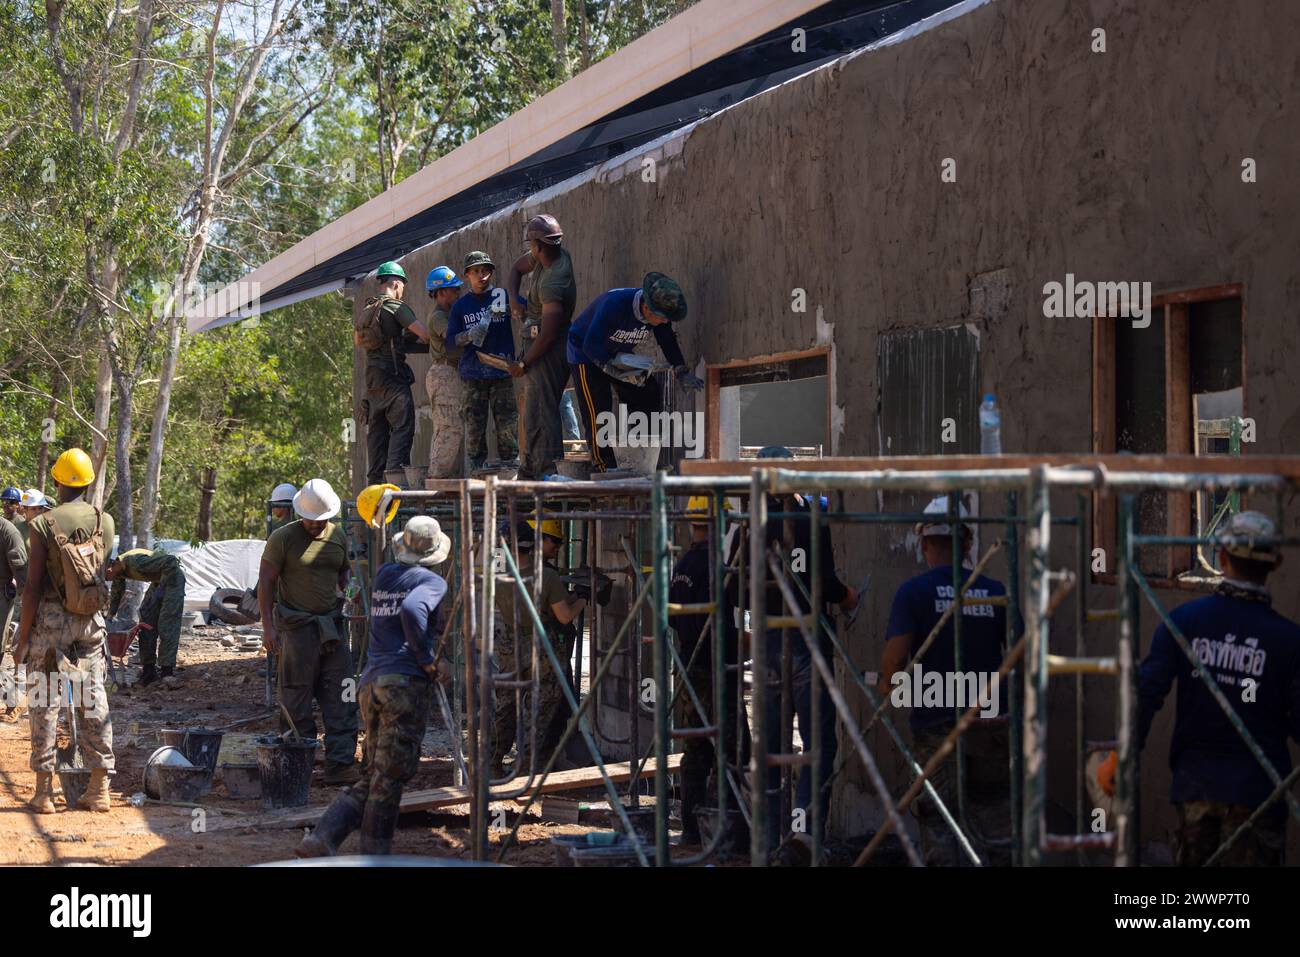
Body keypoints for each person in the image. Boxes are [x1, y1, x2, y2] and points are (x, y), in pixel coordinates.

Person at [1130, 511, 1300, 866]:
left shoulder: (1183, 622)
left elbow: (1145, 695)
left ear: (1221, 556)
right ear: (1277, 563)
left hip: (1196, 788)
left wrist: (1124, 759)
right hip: (1261, 794)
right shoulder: (1291, 641)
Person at [295, 515, 452, 857]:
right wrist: (428, 659)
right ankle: (374, 855)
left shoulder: (385, 574)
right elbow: (412, 610)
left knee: (378, 771)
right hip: (403, 683)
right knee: (392, 774)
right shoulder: (432, 582)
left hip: (372, 682)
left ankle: (324, 837)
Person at [877, 495, 1013, 866]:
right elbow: (1020, 655)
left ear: (924, 544)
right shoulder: (997, 591)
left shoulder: (913, 593)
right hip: (988, 721)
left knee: (939, 819)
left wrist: (889, 691)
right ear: (967, 543)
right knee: (994, 814)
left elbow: (894, 659)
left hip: (935, 722)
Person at [749, 445, 857, 851]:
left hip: (769, 644)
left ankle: (773, 838)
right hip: (808, 641)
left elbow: (741, 590)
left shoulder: (751, 524)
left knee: (773, 748)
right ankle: (805, 833)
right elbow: (824, 584)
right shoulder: (812, 518)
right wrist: (848, 598)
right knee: (817, 746)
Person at [14, 448, 115, 813]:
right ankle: (99, 787)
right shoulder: (105, 520)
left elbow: (32, 586)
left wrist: (23, 639)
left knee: (44, 698)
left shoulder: (42, 524)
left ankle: (44, 793)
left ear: (57, 481)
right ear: (87, 481)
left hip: (51, 625)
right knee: (92, 696)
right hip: (89, 621)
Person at [258, 478, 361, 785]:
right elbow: (266, 582)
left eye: (322, 521)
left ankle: (340, 765)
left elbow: (345, 571)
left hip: (332, 628)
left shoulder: (338, 535)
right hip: (297, 630)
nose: (317, 525)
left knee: (343, 694)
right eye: (311, 520)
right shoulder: (283, 538)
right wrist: (267, 627)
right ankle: (296, 764)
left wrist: (351, 588)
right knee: (295, 698)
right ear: (299, 512)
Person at [671, 495, 751, 845]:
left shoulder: (683, 563)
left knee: (696, 748)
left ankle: (691, 829)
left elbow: (674, 616)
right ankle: (727, 829)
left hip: (688, 666)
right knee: (734, 749)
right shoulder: (718, 566)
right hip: (715, 667)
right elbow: (732, 609)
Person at [567, 272, 703, 472]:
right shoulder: (614, 305)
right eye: (662, 318)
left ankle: (643, 456)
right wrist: (609, 369)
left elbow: (667, 340)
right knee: (598, 410)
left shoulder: (658, 318)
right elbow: (590, 344)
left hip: (617, 353)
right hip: (585, 353)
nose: (665, 322)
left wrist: (680, 370)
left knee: (647, 391)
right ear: (647, 307)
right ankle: (604, 465)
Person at [491, 519, 592, 776]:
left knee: (506, 707)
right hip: (542, 647)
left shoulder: (498, 572)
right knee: (539, 709)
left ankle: (492, 762)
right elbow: (564, 616)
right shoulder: (546, 576)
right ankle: (525, 766)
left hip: (510, 645)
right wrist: (581, 597)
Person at [506, 214, 577, 480]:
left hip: (549, 348)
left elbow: (548, 334)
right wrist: (514, 299)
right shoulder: (545, 256)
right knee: (534, 411)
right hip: (536, 342)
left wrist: (524, 363)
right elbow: (515, 268)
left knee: (544, 410)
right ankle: (531, 470)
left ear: (537, 245)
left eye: (531, 244)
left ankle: (548, 472)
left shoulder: (554, 279)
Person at [357, 261, 431, 484]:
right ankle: (395, 488)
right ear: (397, 284)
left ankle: (373, 493)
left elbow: (359, 342)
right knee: (402, 429)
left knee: (377, 439)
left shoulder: (367, 310)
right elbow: (426, 336)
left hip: (372, 384)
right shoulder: (396, 307)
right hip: (393, 380)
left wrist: (398, 340)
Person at [446, 251, 518, 471]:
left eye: (485, 270)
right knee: (475, 431)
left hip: (501, 373)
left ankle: (511, 473)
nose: (481, 275)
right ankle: (477, 476)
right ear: (467, 275)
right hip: (473, 375)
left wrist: (515, 311)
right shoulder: (461, 306)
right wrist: (469, 334)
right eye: (476, 271)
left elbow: (524, 311)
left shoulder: (501, 297)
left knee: (507, 429)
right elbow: (450, 344)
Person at [107, 547, 187, 689]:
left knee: (167, 624)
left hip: (173, 579)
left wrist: (160, 591)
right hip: (158, 581)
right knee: (146, 621)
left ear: (111, 566)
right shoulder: (119, 572)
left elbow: (171, 562)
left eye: (108, 575)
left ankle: (166, 672)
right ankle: (149, 671)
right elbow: (116, 592)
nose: (109, 579)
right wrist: (110, 616)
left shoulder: (134, 561)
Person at [424, 265, 466, 479]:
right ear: (441, 293)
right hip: (445, 373)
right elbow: (452, 336)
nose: (458, 293)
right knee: (450, 427)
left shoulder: (448, 313)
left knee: (447, 426)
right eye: (453, 290)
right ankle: (437, 480)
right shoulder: (439, 316)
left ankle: (438, 477)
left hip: (448, 373)